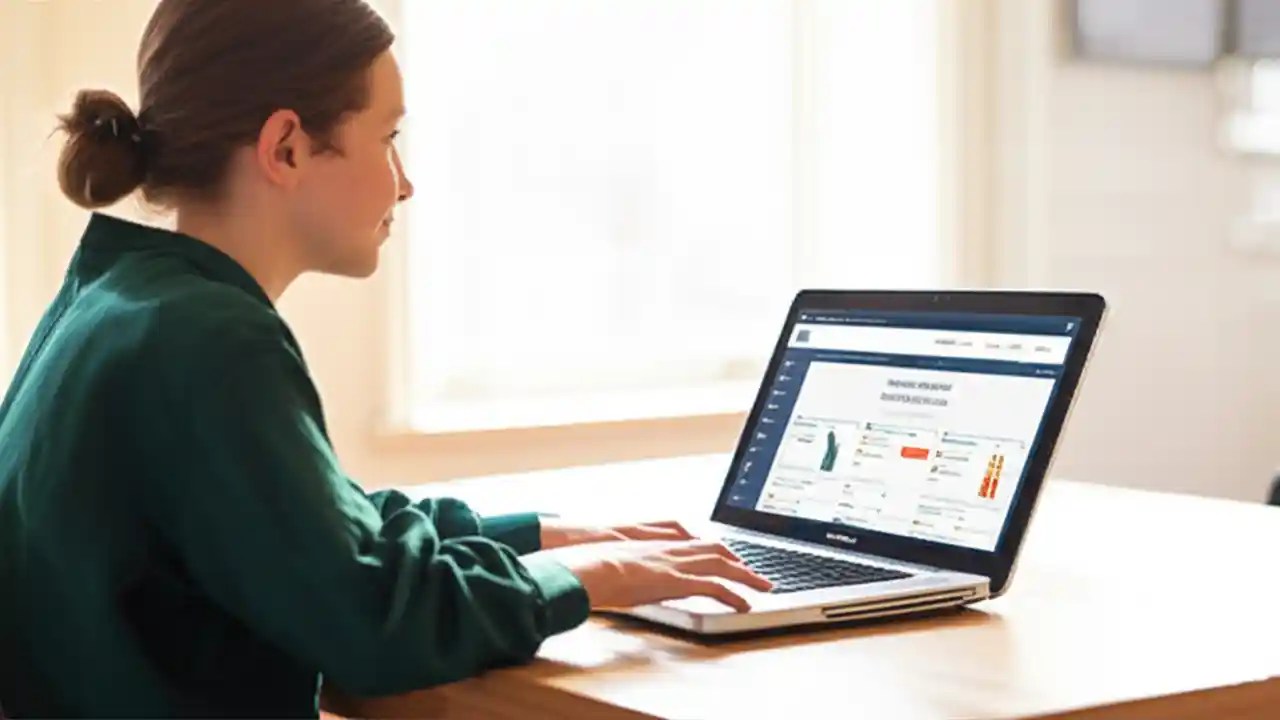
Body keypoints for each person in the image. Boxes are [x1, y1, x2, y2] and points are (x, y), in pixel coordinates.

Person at [0, 1, 771, 716]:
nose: (405, 184)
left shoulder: (119, 299)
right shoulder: (207, 337)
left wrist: (544, 535)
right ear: (287, 147)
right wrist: (588, 582)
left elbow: (318, 533)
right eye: (388, 137)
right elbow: (371, 622)